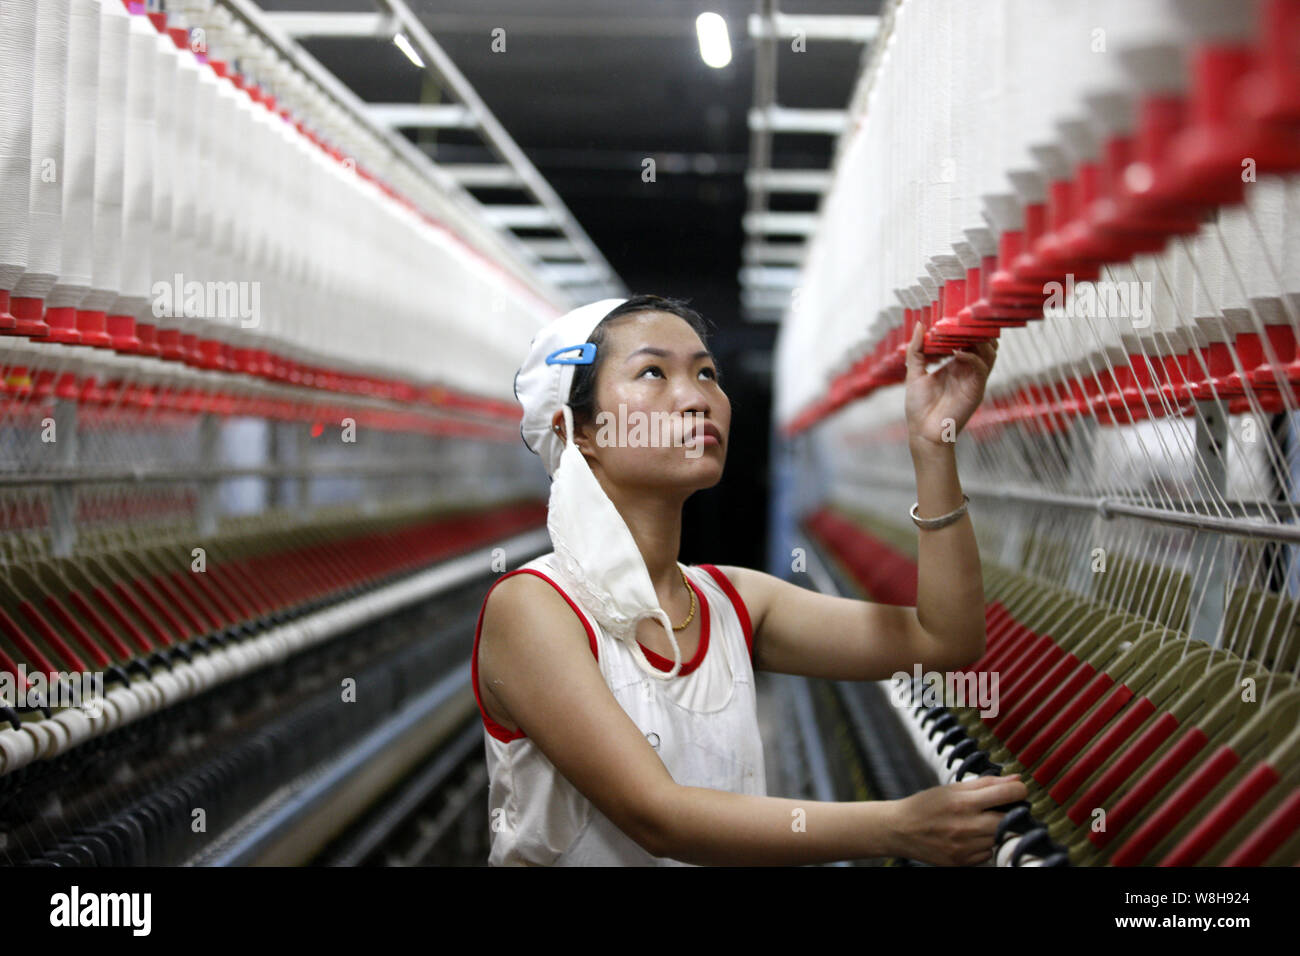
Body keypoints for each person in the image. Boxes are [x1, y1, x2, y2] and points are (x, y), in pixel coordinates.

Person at [472, 293, 1026, 866]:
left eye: (707, 373)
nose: (696, 398)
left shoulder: (733, 601)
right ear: (577, 430)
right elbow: (659, 815)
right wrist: (898, 826)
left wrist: (934, 448)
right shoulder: (535, 607)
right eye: (653, 372)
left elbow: (945, 640)